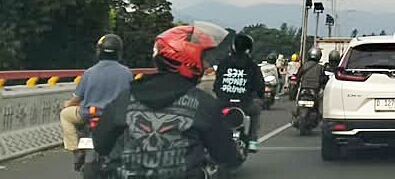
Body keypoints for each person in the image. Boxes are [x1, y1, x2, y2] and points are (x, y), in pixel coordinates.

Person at [92, 22, 243, 177]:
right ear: (188, 58)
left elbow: (101, 143)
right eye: (204, 58)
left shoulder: (125, 98)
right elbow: (227, 156)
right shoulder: (204, 104)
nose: (207, 64)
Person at [60, 34, 132, 170]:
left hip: (90, 114)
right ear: (119, 52)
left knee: (65, 114)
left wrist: (67, 105)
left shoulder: (90, 72)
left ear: (99, 51)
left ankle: (75, 149)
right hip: (117, 117)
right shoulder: (127, 73)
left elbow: (77, 98)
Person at [212, 32, 265, 150]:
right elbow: (260, 85)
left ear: (233, 46)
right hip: (245, 103)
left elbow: (217, 84)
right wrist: (260, 96)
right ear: (249, 48)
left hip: (223, 102)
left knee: (212, 116)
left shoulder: (223, 63)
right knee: (256, 113)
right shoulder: (252, 66)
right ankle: (252, 141)